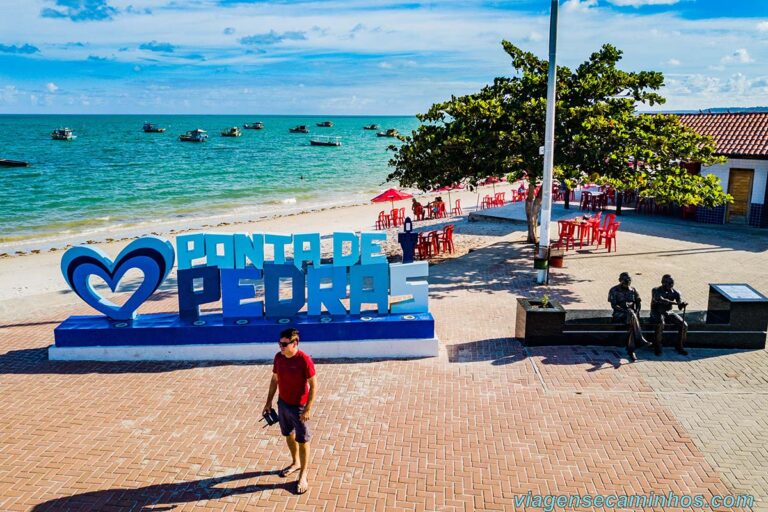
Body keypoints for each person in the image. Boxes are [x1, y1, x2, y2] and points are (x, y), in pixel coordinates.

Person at [263, 328, 317, 494]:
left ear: (295, 343)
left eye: (285, 344)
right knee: (288, 434)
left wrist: (308, 408)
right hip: (283, 404)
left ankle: (303, 474)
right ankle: (296, 462)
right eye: (280, 343)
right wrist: (268, 402)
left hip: (299, 407)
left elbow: (314, 385)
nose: (281, 346)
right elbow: (274, 380)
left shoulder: (304, 360)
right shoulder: (279, 358)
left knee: (303, 439)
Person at [608, 272, 652, 362]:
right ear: (620, 280)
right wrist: (625, 310)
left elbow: (638, 302)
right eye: (625, 280)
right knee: (631, 316)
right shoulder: (614, 290)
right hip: (619, 314)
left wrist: (637, 311)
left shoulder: (633, 290)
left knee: (631, 325)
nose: (628, 282)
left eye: (629, 280)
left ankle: (631, 350)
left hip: (632, 315)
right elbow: (614, 306)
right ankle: (639, 341)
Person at [651, 274, 689, 356]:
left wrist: (683, 304)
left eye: (672, 283)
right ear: (662, 282)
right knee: (661, 323)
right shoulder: (656, 290)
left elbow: (679, 307)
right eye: (668, 283)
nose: (671, 285)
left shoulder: (676, 292)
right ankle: (657, 346)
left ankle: (679, 346)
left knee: (684, 325)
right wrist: (675, 303)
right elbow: (661, 299)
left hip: (668, 312)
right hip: (657, 311)